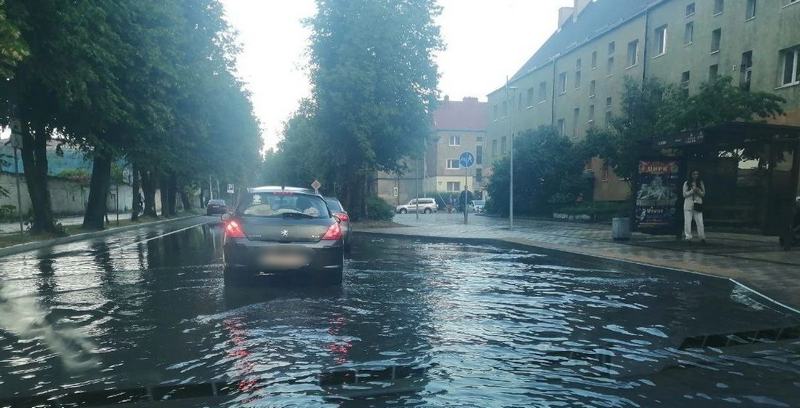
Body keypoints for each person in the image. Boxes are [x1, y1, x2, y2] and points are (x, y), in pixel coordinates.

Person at [683, 170, 706, 243]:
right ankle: (688, 237)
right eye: (694, 174)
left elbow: (703, 194)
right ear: (691, 175)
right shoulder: (686, 183)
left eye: (697, 174)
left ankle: (702, 237)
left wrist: (698, 191)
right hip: (688, 204)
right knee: (687, 222)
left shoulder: (700, 182)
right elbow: (684, 194)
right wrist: (692, 190)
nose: (695, 175)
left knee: (700, 222)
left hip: (697, 204)